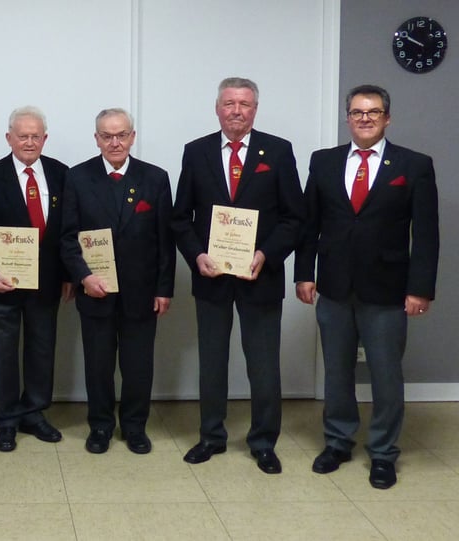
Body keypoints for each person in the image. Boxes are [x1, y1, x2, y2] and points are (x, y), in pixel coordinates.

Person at [294, 84, 438, 490]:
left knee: (385, 374)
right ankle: (338, 442)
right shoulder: (323, 162)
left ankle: (383, 452)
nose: (365, 118)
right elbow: (310, 226)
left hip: (389, 290)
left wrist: (420, 288)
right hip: (334, 287)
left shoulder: (414, 165)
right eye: (357, 112)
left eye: (373, 112)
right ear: (348, 118)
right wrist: (304, 273)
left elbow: (426, 235)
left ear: (387, 118)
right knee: (337, 370)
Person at [171, 77, 305, 474]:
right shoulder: (196, 153)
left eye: (245, 104)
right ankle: (211, 436)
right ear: (217, 108)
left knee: (263, 364)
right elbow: (181, 217)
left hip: (259, 276)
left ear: (255, 109)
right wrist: (196, 256)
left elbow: (294, 217)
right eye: (229, 103)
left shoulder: (278, 152)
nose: (236, 110)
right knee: (211, 361)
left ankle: (264, 442)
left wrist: (267, 254)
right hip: (211, 277)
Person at [60, 108, 174, 455]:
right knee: (98, 364)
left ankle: (135, 427)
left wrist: (164, 289)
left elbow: (165, 240)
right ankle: (100, 426)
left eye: (121, 135)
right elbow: (67, 237)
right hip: (95, 290)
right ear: (96, 139)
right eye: (107, 136)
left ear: (132, 137)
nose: (114, 142)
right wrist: (83, 277)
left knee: (138, 365)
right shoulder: (78, 177)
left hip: (142, 292)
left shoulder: (155, 178)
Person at [0, 106, 71, 452]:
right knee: (4, 354)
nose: (29, 141)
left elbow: (69, 232)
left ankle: (35, 413)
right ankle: (7, 419)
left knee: (42, 350)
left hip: (47, 283)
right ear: (9, 137)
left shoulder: (61, 174)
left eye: (35, 136)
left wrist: (70, 276)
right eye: (22, 135)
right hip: (3, 284)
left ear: (45, 139)